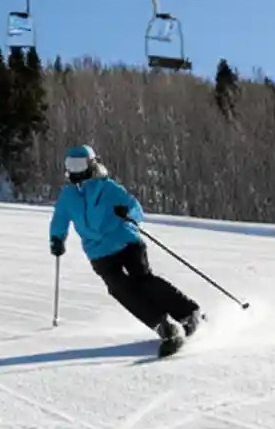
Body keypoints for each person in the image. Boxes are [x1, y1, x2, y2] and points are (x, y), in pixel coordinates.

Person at [49, 145, 203, 357]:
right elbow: (59, 219)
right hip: (98, 252)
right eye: (70, 166)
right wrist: (56, 238)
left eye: (79, 165)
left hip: (125, 241)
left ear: (92, 164)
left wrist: (127, 212)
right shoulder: (68, 195)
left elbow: (136, 210)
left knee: (142, 280)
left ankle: (188, 312)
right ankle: (163, 326)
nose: (75, 171)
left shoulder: (108, 188)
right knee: (119, 288)